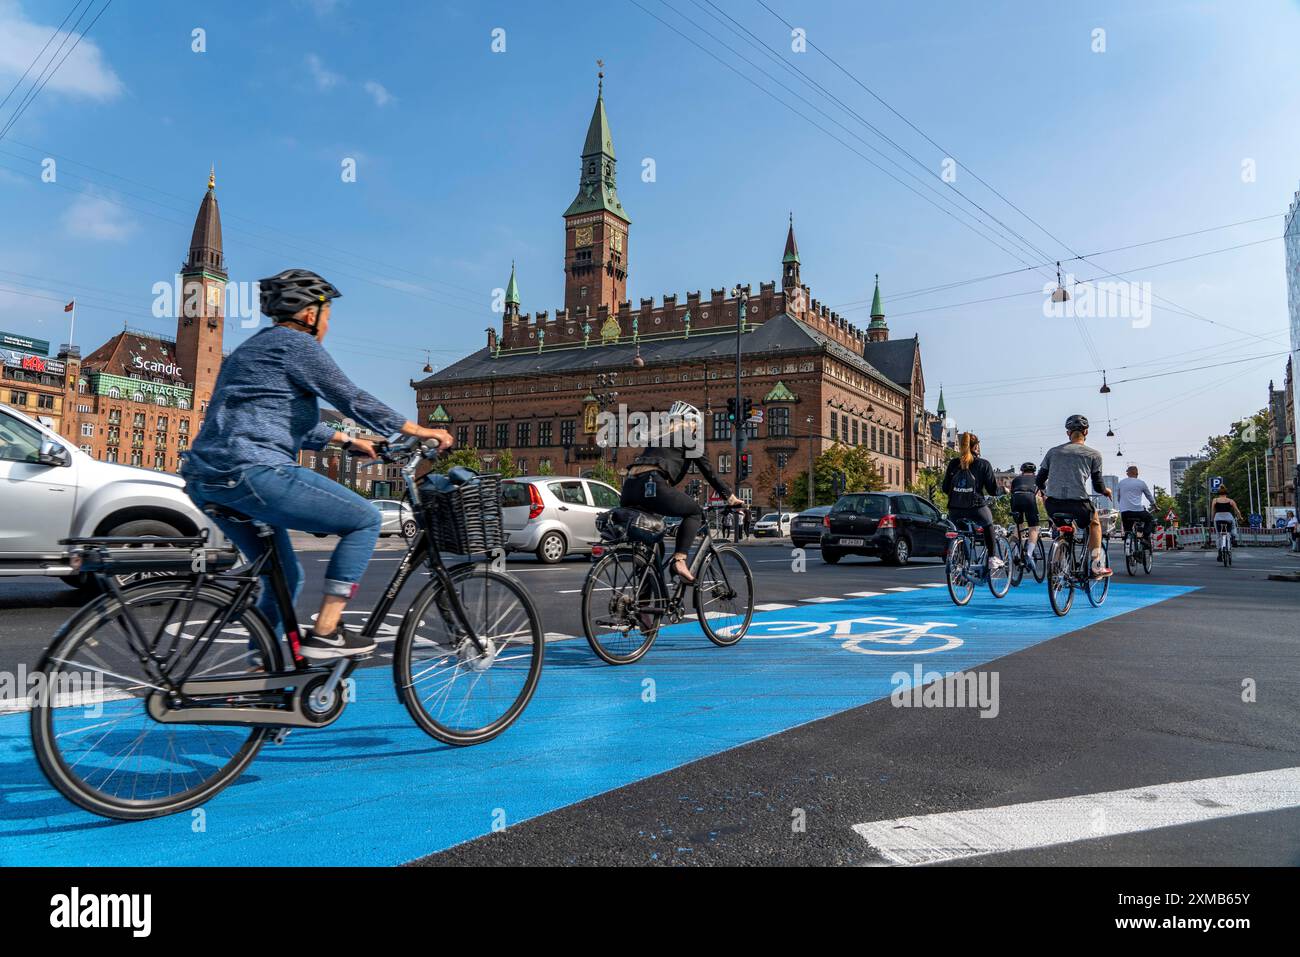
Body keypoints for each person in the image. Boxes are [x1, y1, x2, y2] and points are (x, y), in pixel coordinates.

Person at [180, 269, 453, 660]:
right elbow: (351, 398)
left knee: (285, 578)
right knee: (364, 519)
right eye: (327, 315)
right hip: (253, 471)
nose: (328, 324)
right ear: (310, 314)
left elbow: (275, 420)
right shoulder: (298, 345)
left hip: (208, 478)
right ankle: (327, 630)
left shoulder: (250, 351)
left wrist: (347, 440)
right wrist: (419, 429)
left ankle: (262, 676)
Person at [621, 400, 744, 582]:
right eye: (696, 425)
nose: (696, 430)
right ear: (690, 422)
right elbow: (709, 471)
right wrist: (730, 497)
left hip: (629, 488)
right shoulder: (687, 437)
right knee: (694, 512)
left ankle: (643, 604)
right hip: (652, 485)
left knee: (653, 548)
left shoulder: (657, 438)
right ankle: (680, 560)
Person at [1036, 414, 1113, 578]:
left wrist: (1046, 494)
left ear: (1067, 433)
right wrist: (1107, 491)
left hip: (1053, 504)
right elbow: (1098, 486)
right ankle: (1096, 565)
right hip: (1078, 504)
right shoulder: (1093, 454)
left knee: (1065, 529)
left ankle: (1056, 565)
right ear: (1086, 432)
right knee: (1094, 524)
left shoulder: (1053, 452)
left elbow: (1039, 480)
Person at [942, 432, 1003, 572]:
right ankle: (992, 557)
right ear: (976, 447)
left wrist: (959, 496)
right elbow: (993, 490)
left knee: (961, 533)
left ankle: (962, 564)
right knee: (988, 523)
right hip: (976, 508)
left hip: (954, 510)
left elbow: (945, 488)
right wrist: (1004, 490)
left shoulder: (953, 464)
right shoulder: (983, 464)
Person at [1008, 461, 1042, 570]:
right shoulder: (1038, 479)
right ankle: (1029, 554)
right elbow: (1044, 496)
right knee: (1034, 528)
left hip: (1015, 500)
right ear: (1034, 472)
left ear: (1022, 471)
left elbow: (1011, 493)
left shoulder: (1016, 479)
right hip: (1029, 499)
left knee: (1019, 526)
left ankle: (1016, 553)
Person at [1115, 465, 1156, 548]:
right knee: (1150, 520)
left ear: (1128, 473)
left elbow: (1118, 498)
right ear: (1136, 473)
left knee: (1127, 531)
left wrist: (1123, 506)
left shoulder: (1121, 483)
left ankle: (1128, 549)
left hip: (1125, 513)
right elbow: (1149, 496)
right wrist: (1155, 506)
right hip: (1138, 511)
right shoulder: (1141, 483)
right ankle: (1144, 538)